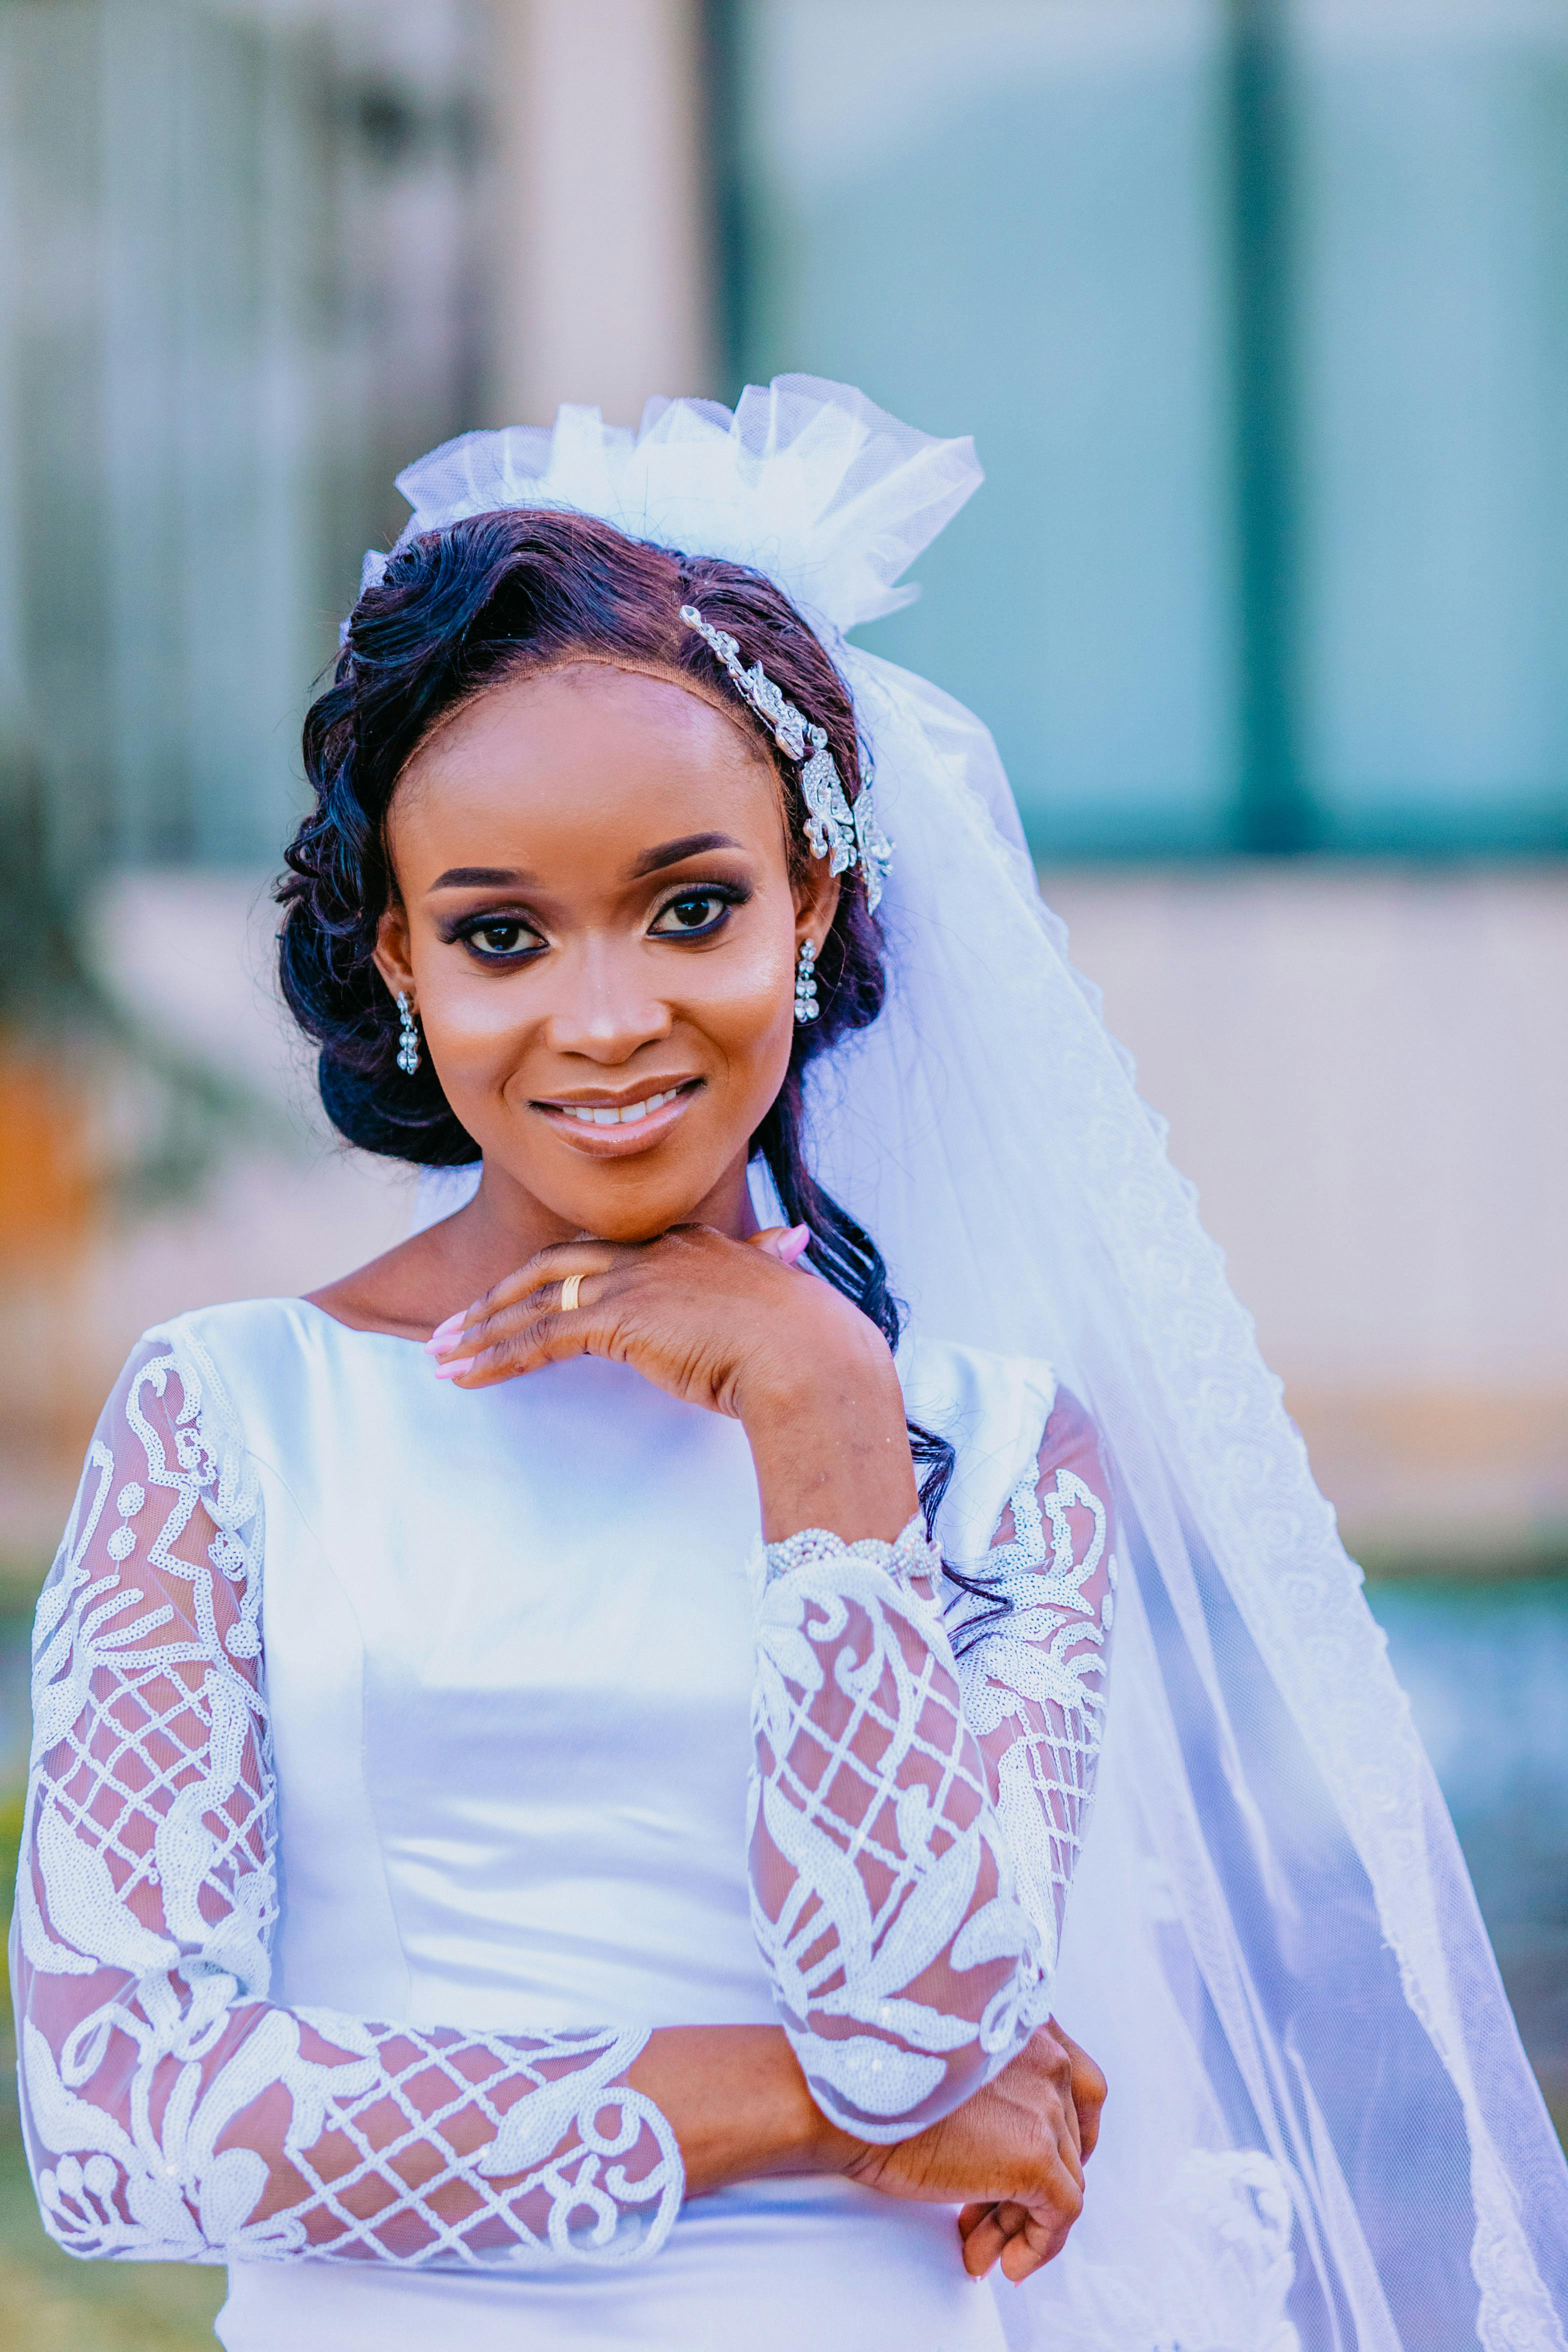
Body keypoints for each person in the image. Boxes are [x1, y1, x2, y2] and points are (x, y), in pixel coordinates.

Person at [12, 380, 1568, 2352]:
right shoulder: (230, 1421)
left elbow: (922, 2034)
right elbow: (122, 2125)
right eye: (502, 937)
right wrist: (796, 2113)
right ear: (398, 960)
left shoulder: (989, 1456)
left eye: (691, 908)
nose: (606, 1018)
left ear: (811, 906)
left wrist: (825, 1420)